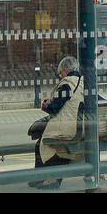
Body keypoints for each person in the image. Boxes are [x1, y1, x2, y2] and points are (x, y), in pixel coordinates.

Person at [29, 56, 84, 188]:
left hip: (68, 127)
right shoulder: (84, 83)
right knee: (44, 139)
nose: (60, 76)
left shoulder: (67, 84)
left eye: (60, 73)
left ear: (65, 70)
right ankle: (43, 178)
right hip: (83, 126)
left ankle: (48, 180)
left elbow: (54, 108)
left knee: (43, 143)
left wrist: (45, 105)